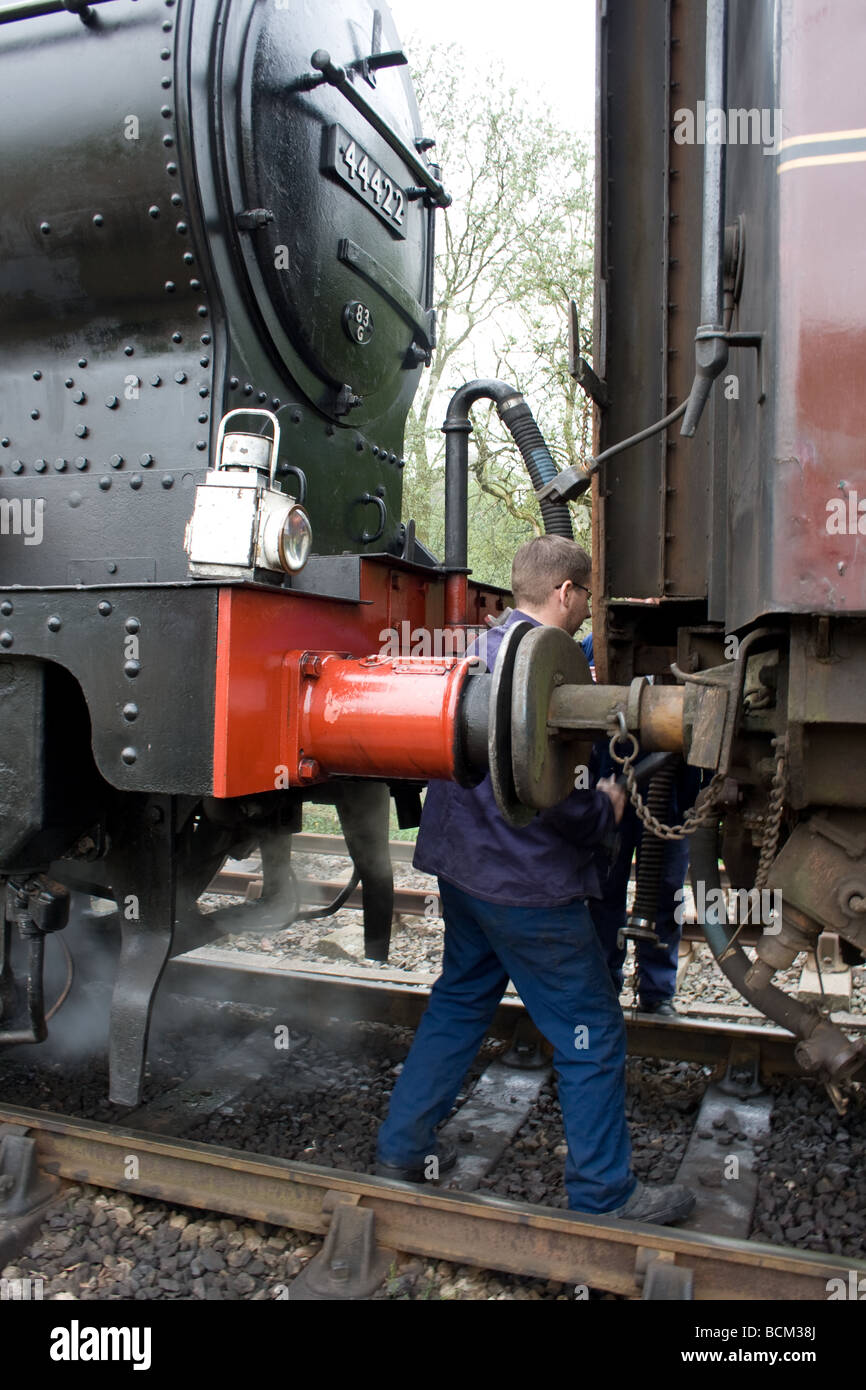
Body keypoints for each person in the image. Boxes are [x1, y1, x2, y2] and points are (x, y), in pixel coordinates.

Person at [375, 535, 695, 1225]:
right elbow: (553, 798)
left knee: (459, 1002)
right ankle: (604, 1194)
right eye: (583, 595)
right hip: (529, 891)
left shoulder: (474, 654)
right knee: (590, 1029)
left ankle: (401, 1149)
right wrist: (603, 808)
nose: (584, 609)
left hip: (465, 875)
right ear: (565, 593)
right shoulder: (556, 674)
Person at [581, 633, 697, 1016]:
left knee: (666, 890)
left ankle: (657, 992)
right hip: (613, 790)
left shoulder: (692, 649)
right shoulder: (596, 647)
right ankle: (604, 986)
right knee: (603, 890)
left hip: (671, 797)